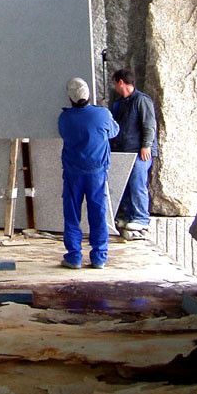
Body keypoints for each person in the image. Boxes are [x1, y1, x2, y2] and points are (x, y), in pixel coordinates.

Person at [57, 77, 119, 270]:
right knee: (98, 214)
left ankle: (74, 257)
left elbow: (63, 134)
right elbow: (114, 131)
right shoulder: (102, 114)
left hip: (73, 173)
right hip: (97, 173)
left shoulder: (65, 118)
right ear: (89, 95)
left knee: (72, 215)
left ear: (70, 98)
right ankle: (99, 257)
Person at [110, 68, 157, 239]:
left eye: (115, 83)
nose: (114, 87)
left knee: (137, 184)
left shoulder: (141, 100)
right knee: (126, 185)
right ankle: (128, 215)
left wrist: (146, 146)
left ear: (121, 82)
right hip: (122, 150)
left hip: (138, 151)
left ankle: (140, 217)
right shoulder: (119, 103)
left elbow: (149, 124)